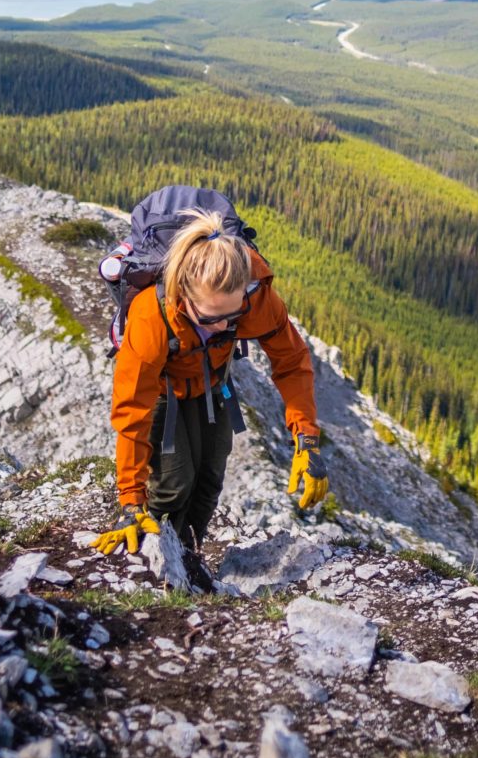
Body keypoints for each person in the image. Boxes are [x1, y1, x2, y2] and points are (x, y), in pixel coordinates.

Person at [92, 208, 329, 556]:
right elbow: (132, 411)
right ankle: (153, 557)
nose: (222, 327)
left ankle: (189, 555)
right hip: (162, 392)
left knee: (208, 482)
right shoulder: (150, 316)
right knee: (173, 485)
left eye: (231, 316)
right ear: (182, 293)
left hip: (214, 384)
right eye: (209, 317)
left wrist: (306, 438)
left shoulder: (258, 300)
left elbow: (292, 362)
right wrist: (130, 500)